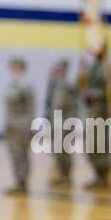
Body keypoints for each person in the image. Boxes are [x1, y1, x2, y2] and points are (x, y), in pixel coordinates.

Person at [79, 51, 111, 189]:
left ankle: (103, 177)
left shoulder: (106, 69)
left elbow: (108, 92)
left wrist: (90, 93)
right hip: (91, 114)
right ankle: (98, 176)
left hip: (100, 115)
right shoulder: (90, 68)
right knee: (91, 147)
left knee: (99, 147)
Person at [44, 59, 77, 188]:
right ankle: (60, 175)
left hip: (65, 123)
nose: (58, 71)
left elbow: (74, 106)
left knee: (65, 152)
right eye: (57, 69)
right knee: (57, 151)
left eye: (61, 69)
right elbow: (49, 104)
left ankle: (66, 176)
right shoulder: (54, 85)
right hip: (54, 122)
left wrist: (71, 123)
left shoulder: (69, 86)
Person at [4, 57, 35, 195]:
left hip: (22, 126)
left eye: (15, 68)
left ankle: (23, 184)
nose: (12, 70)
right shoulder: (12, 85)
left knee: (22, 156)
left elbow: (30, 108)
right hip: (12, 125)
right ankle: (17, 183)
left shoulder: (26, 86)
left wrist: (28, 126)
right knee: (14, 156)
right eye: (12, 68)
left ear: (22, 69)